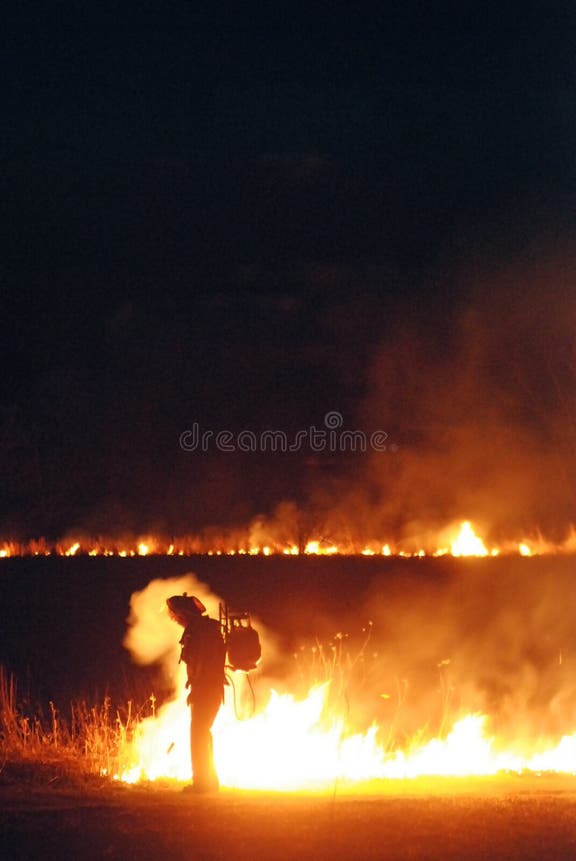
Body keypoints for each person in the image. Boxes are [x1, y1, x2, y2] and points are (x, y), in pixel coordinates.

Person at [166, 593, 226, 793]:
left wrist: (197, 688)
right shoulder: (205, 629)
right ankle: (210, 782)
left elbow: (202, 664)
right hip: (211, 689)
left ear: (183, 614)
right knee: (203, 733)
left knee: (198, 735)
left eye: (174, 615)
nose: (173, 619)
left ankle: (202, 784)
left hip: (206, 689)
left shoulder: (199, 632)